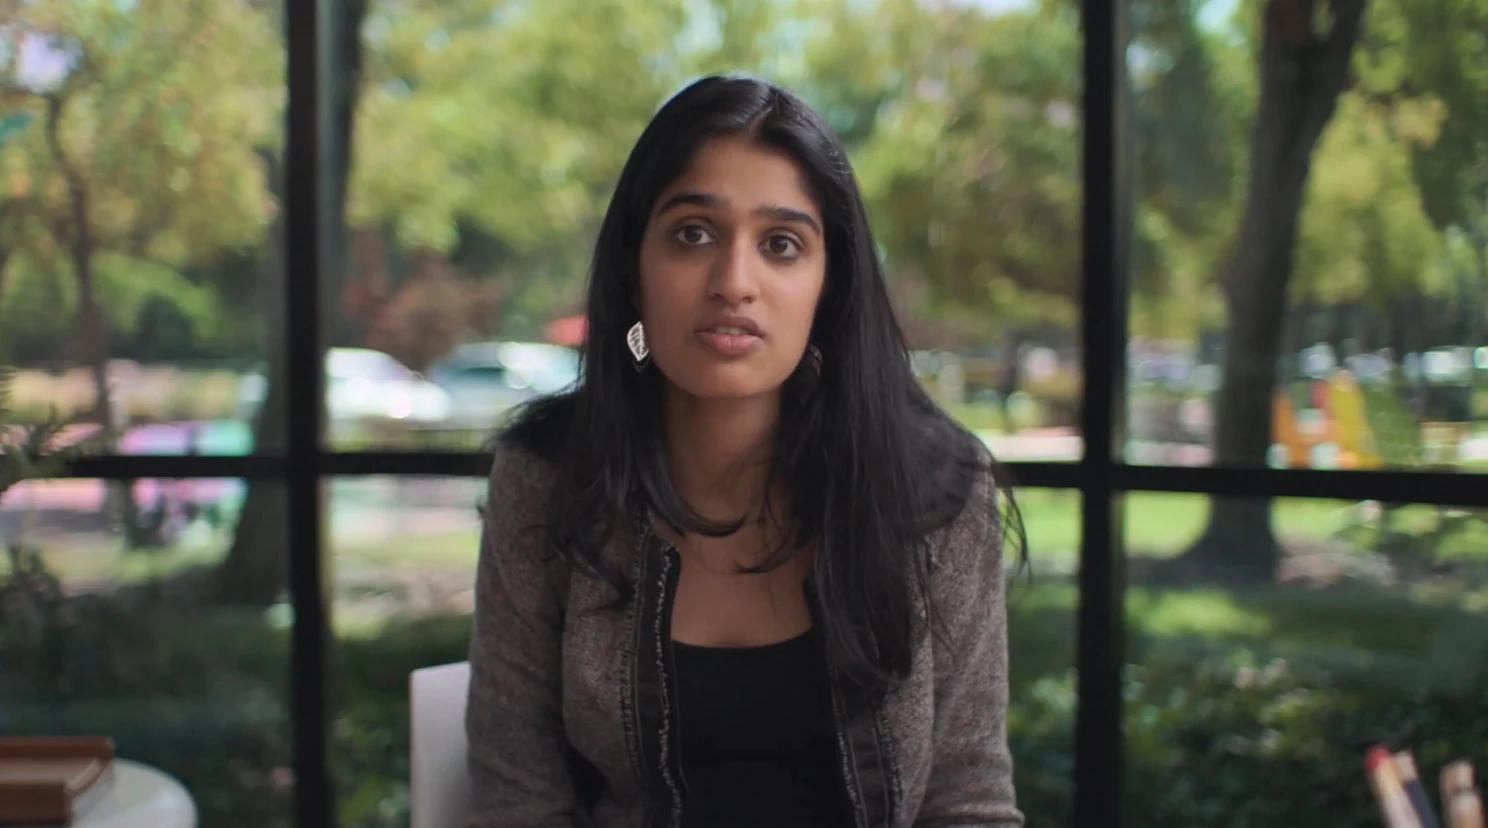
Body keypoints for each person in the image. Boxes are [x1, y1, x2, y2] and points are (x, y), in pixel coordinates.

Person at [466, 75, 1026, 828]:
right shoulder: (549, 479)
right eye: (693, 233)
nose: (735, 282)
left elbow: (968, 801)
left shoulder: (935, 496)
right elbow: (518, 798)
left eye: (782, 245)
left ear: (829, 286)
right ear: (636, 268)